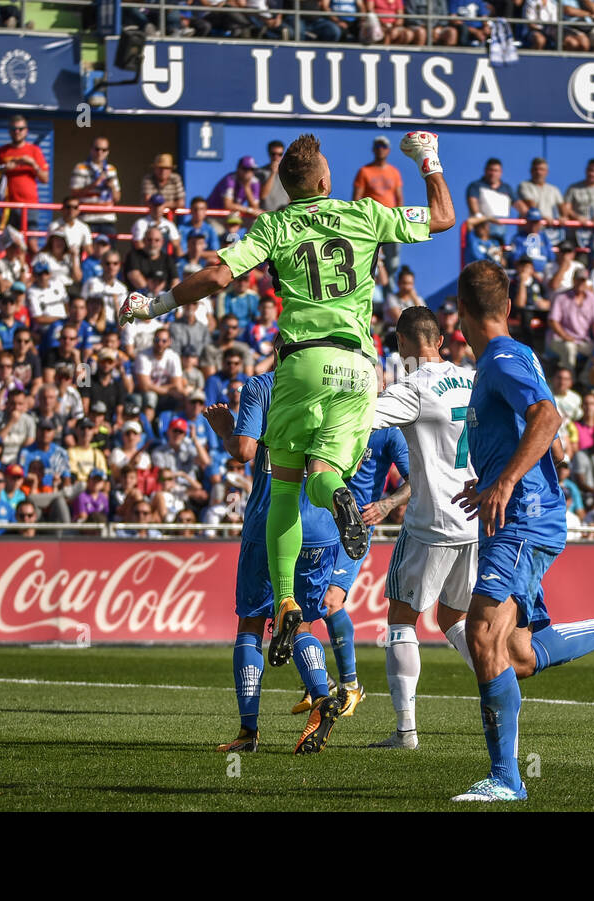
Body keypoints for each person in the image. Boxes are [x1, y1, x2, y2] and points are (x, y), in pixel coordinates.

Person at [119, 131, 453, 673]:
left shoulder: (274, 225)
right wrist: (427, 159)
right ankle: (334, 501)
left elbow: (216, 276)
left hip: (299, 364)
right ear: (324, 180)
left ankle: (286, 600)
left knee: (283, 487)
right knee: (328, 475)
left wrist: (153, 305)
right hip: (356, 366)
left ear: (286, 189)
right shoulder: (364, 214)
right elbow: (442, 217)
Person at [448, 261, 594, 802]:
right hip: (514, 513)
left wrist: (505, 481)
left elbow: (548, 417)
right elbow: (544, 431)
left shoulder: (500, 358)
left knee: (481, 632)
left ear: (461, 314)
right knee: (517, 654)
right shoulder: (506, 359)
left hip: (522, 517)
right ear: (506, 307)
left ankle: (506, 779)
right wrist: (492, 481)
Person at [203, 371, 346, 755]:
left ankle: (248, 733)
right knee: (303, 624)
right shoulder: (333, 381)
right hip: (320, 526)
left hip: (272, 523)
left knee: (251, 622)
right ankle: (320, 696)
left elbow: (244, 451)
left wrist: (225, 428)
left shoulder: (262, 386)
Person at [367, 305, 478, 749]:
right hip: (475, 519)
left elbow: (364, 421)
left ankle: (405, 730)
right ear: (441, 342)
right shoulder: (472, 379)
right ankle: (500, 684)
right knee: (454, 616)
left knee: (402, 618)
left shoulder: (412, 387)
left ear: (401, 344)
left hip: (431, 523)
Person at [0, 116, 49, 237]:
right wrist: (5, 168)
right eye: (14, 129)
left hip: (30, 205)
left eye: (20, 129)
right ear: (9, 131)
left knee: (31, 243)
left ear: (26, 131)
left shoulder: (34, 150)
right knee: (8, 243)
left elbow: (45, 179)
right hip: (8, 205)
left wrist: (33, 164)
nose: (17, 132)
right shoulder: (2, 151)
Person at [353, 136, 405, 275]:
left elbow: (399, 198)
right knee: (372, 259)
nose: (380, 150)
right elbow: (357, 198)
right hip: (372, 223)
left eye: (383, 147)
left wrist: (399, 220)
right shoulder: (364, 171)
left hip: (390, 222)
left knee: (393, 263)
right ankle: (375, 295)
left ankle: (389, 294)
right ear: (373, 150)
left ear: (388, 150)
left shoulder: (394, 172)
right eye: (377, 147)